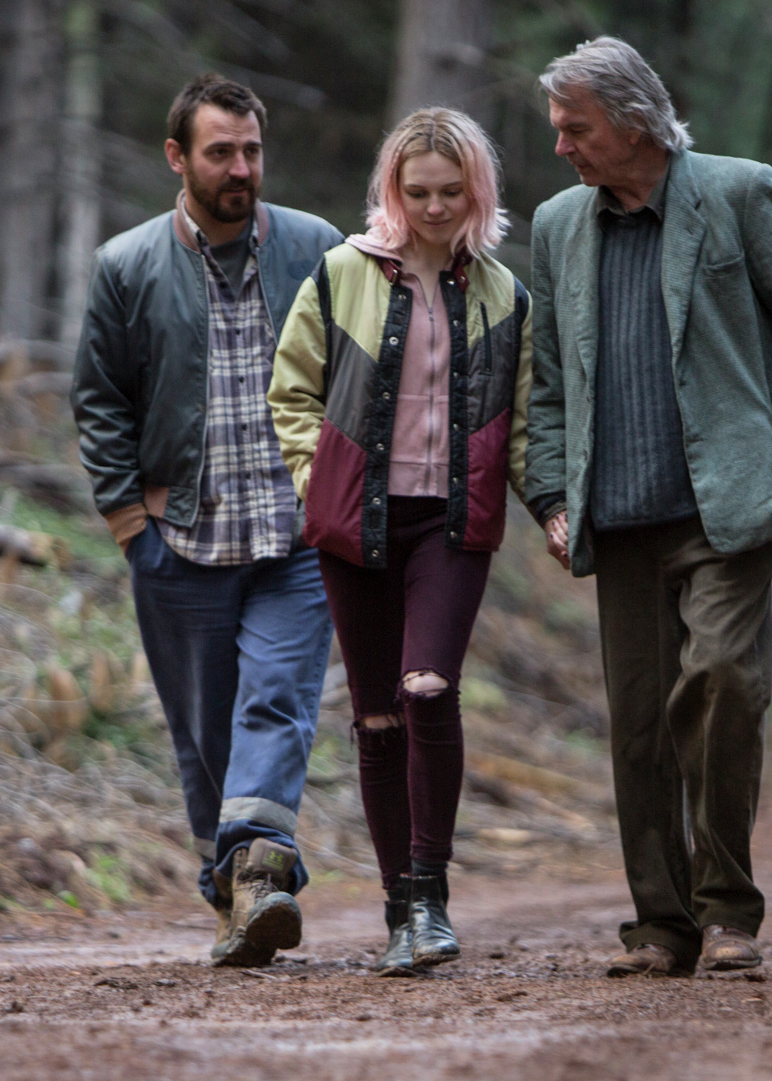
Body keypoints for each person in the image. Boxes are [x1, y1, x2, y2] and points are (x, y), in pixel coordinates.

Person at [523, 38, 772, 978]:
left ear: (632, 124)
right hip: (615, 517)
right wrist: (549, 492)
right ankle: (661, 926)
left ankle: (727, 912)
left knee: (720, 685)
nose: (560, 147)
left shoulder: (740, 192)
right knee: (637, 726)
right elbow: (547, 382)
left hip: (722, 513)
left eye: (574, 129)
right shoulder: (556, 226)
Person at [71, 74, 343, 968]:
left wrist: (346, 498)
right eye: (220, 152)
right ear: (176, 157)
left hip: (296, 537)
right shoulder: (127, 264)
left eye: (251, 151)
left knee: (277, 703)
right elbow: (100, 401)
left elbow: (357, 377)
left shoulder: (317, 249)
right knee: (204, 733)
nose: (239, 169)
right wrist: (128, 527)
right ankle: (235, 896)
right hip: (179, 540)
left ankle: (261, 876)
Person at [268, 108, 533, 977]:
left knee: (427, 689)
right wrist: (317, 480)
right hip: (357, 523)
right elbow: (291, 391)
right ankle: (399, 913)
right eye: (416, 191)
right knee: (377, 715)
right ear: (392, 189)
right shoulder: (342, 273)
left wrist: (552, 504)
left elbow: (524, 422)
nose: (432, 207)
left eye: (450, 192)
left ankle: (432, 898)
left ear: (476, 192)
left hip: (450, 526)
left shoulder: (503, 294)